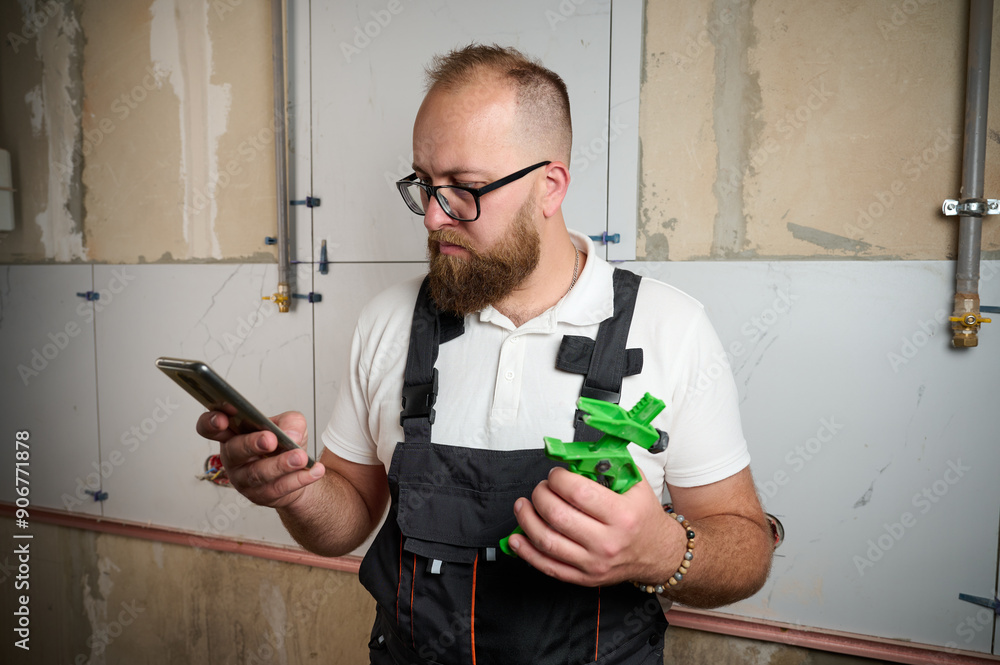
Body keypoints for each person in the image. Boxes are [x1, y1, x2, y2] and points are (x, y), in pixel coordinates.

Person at [198, 44, 773, 665]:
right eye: (425, 185)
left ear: (549, 186)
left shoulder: (670, 327)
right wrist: (297, 491)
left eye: (466, 189)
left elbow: (747, 551)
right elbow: (350, 519)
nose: (433, 219)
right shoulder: (388, 322)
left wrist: (661, 551)